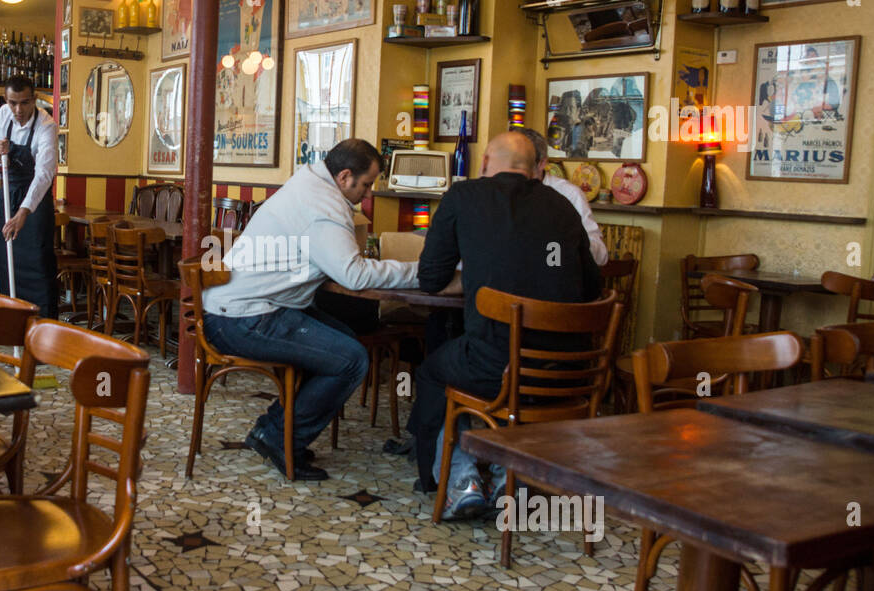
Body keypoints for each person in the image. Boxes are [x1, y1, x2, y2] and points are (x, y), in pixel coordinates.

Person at [202, 138, 419, 481]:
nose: (367, 194)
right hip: (243, 317)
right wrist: (418, 271)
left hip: (239, 308)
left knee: (345, 341)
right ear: (345, 176)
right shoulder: (325, 205)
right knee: (351, 359)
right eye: (365, 185)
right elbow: (353, 273)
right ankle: (277, 436)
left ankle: (274, 429)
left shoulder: (309, 181)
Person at [406, 131, 601, 509]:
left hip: (497, 367)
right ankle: (507, 475)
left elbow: (430, 278)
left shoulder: (463, 197)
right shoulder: (561, 206)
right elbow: (590, 286)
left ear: (482, 165)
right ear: (536, 169)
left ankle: (456, 478)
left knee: (435, 369)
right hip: (566, 372)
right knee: (471, 354)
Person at [0, 74, 60, 318]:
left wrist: (24, 211)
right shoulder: (3, 114)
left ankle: (44, 329)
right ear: (6, 101)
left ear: (35, 100)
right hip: (8, 193)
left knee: (39, 263)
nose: (18, 110)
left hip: (35, 201)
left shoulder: (46, 126)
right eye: (13, 103)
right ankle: (12, 322)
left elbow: (44, 175)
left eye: (24, 103)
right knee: (6, 263)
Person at [520, 127, 609, 266]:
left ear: (542, 163)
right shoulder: (502, 192)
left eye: (523, 163)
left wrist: (566, 240)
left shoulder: (568, 194)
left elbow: (601, 255)